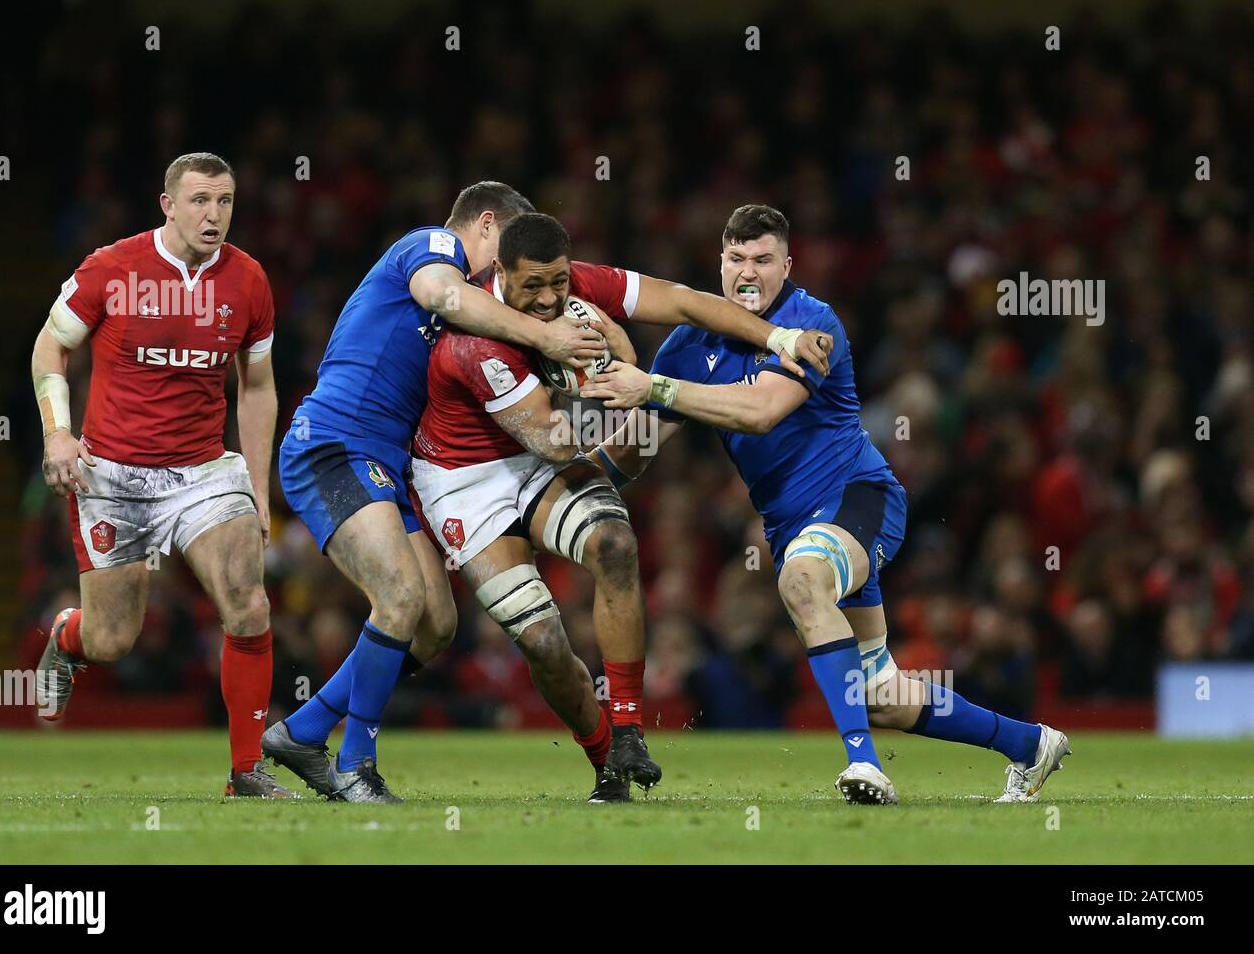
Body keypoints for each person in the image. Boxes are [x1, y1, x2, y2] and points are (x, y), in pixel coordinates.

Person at [581, 204, 1071, 804]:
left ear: (787, 265)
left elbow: (760, 412)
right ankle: (1029, 745)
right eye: (737, 259)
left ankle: (865, 768)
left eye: (763, 259)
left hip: (859, 498)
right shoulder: (687, 345)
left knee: (802, 580)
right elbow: (638, 449)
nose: (749, 273)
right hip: (795, 525)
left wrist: (652, 386)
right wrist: (565, 488)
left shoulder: (811, 324)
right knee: (880, 694)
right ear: (721, 264)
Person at [410, 212, 831, 800]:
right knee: (546, 644)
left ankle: (629, 726)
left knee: (615, 543)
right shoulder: (475, 341)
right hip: (465, 480)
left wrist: (776, 337)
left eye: (558, 281)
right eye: (532, 285)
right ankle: (606, 758)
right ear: (496, 273)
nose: (550, 297)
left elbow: (683, 302)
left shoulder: (578, 287)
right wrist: (609, 381)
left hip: (535, 460)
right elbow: (555, 436)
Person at [262, 183, 606, 803]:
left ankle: (302, 731)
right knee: (398, 595)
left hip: (386, 466)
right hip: (334, 444)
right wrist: (548, 338)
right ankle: (356, 767)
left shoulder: (473, 310)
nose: (504, 275)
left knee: (434, 627)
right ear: (486, 224)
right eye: (504, 255)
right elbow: (444, 293)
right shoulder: (429, 246)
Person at [33, 152, 292, 797]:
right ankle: (69, 638)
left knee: (249, 604)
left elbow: (256, 388)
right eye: (200, 201)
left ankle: (246, 771)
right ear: (167, 204)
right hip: (112, 477)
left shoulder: (248, 281)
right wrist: (59, 432)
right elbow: (50, 344)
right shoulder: (112, 268)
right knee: (113, 639)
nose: (214, 215)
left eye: (225, 201)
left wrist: (257, 489)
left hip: (205, 471)